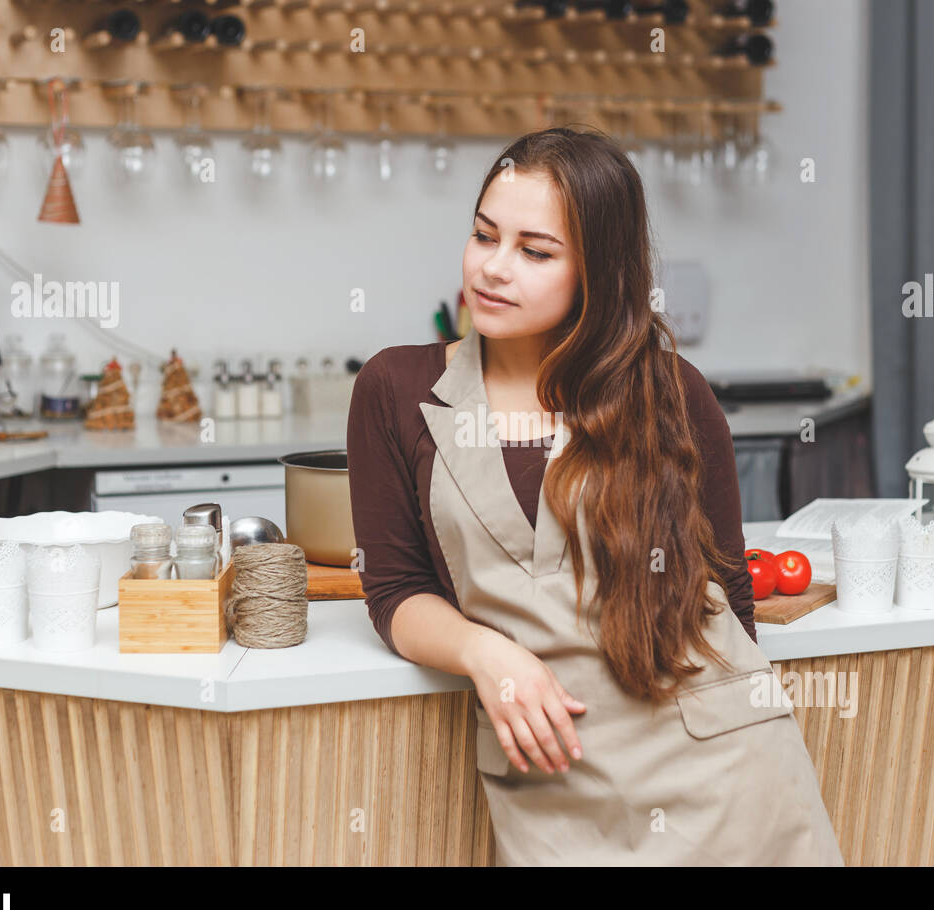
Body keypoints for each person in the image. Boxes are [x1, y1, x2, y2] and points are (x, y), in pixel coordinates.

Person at [347, 126, 843, 866]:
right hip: (553, 779)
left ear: (598, 272)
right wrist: (487, 654)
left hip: (728, 780)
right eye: (484, 236)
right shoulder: (396, 388)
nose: (494, 268)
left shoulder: (673, 392)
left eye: (535, 252)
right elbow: (395, 589)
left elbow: (729, 589)